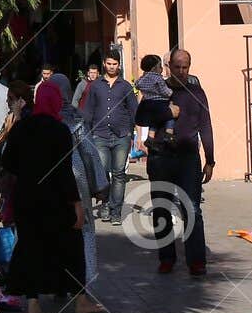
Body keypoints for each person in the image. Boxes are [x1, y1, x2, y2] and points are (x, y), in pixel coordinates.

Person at [0, 81, 96, 313]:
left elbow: (8, 163)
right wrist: (76, 204)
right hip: (56, 199)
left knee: (30, 247)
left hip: (26, 197)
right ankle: (81, 300)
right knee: (71, 247)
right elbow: (64, 171)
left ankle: (33, 306)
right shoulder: (60, 130)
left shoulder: (21, 128)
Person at [147, 48, 214, 277]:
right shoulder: (158, 91)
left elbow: (205, 125)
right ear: (169, 66)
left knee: (192, 209)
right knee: (161, 208)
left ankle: (196, 261)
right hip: (162, 158)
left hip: (188, 159)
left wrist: (210, 160)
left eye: (185, 67)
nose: (181, 71)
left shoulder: (197, 92)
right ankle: (166, 258)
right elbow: (145, 119)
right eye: (177, 67)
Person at [51, 74, 108, 308]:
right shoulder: (75, 119)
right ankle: (85, 285)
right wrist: (100, 185)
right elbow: (89, 152)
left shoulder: (41, 118)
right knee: (83, 229)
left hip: (52, 183)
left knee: (56, 233)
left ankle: (58, 285)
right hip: (76, 178)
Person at [83, 51, 137, 225]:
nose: (112, 66)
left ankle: (116, 210)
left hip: (121, 136)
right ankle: (105, 204)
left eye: (115, 64)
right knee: (103, 172)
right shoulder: (96, 86)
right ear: (104, 64)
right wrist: (87, 133)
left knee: (119, 173)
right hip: (100, 136)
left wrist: (131, 132)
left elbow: (133, 110)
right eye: (109, 63)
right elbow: (88, 111)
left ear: (118, 65)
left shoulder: (126, 86)